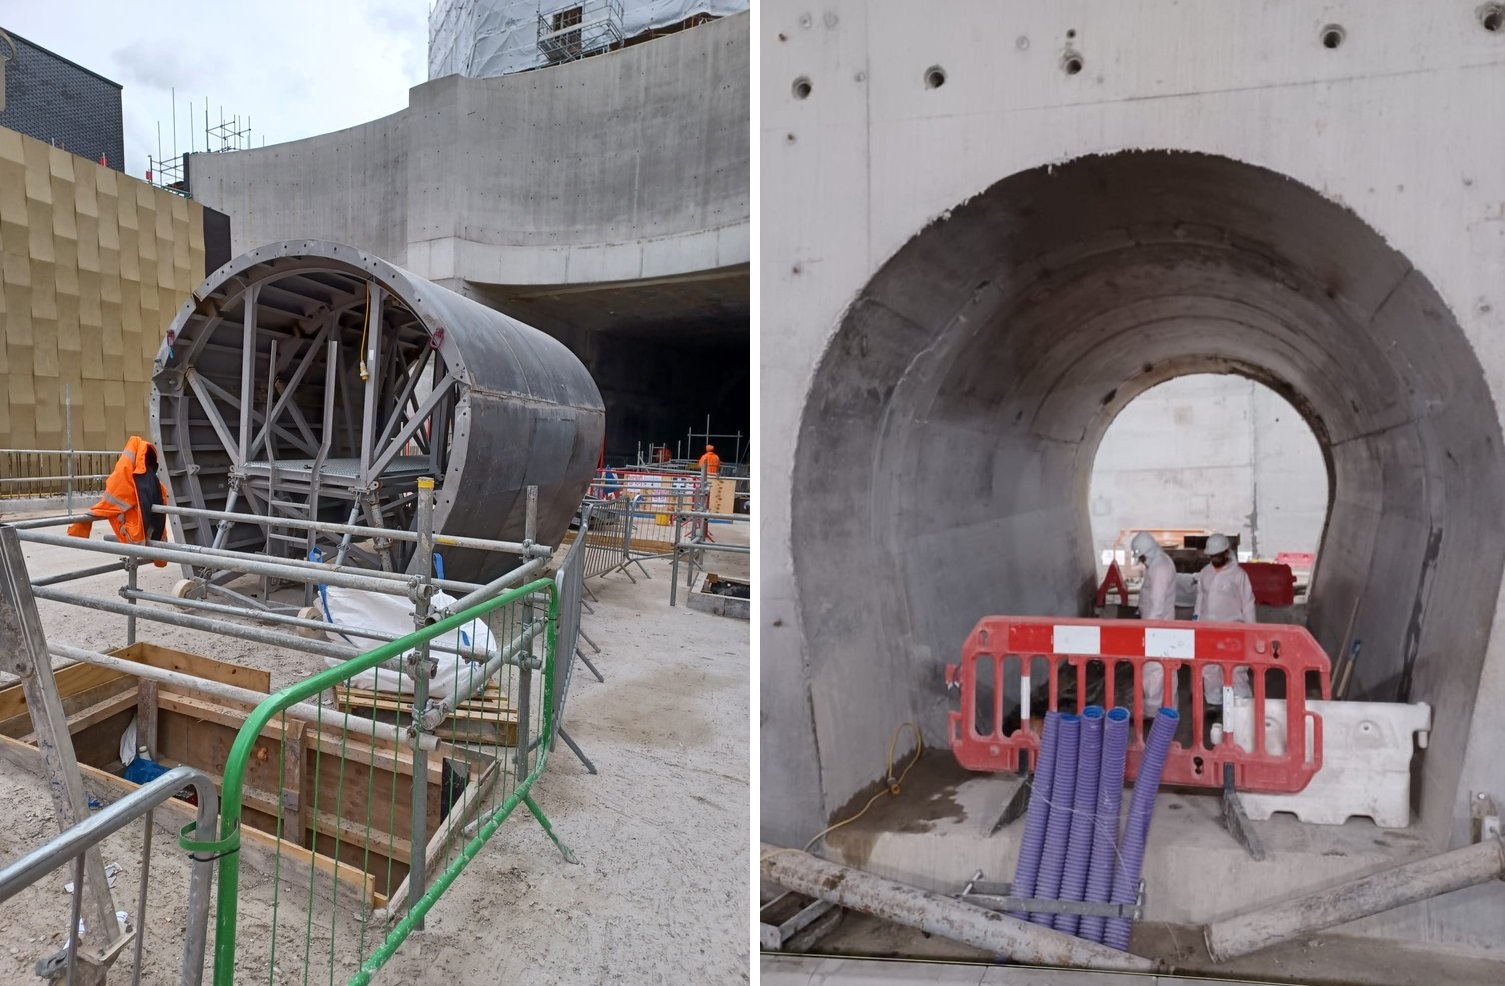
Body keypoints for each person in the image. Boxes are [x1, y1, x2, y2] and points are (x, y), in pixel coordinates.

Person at [1194, 533, 1255, 708]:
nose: (1214, 559)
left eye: (1218, 556)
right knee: (1209, 669)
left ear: (1226, 553)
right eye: (1212, 556)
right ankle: (1214, 703)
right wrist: (1195, 623)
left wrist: (1252, 633)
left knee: (1236, 670)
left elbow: (1248, 604)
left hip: (1233, 631)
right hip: (1207, 630)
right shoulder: (1205, 573)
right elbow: (1200, 599)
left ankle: (1242, 706)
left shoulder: (1239, 575)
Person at [1131, 532, 1177, 715]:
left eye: (1141, 557)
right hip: (1159, 625)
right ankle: (1167, 712)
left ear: (1146, 553)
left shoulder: (1159, 569)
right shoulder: (1160, 563)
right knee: (1164, 669)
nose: (1142, 562)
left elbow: (1157, 604)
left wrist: (1147, 630)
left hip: (1157, 628)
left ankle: (1153, 713)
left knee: (1153, 670)